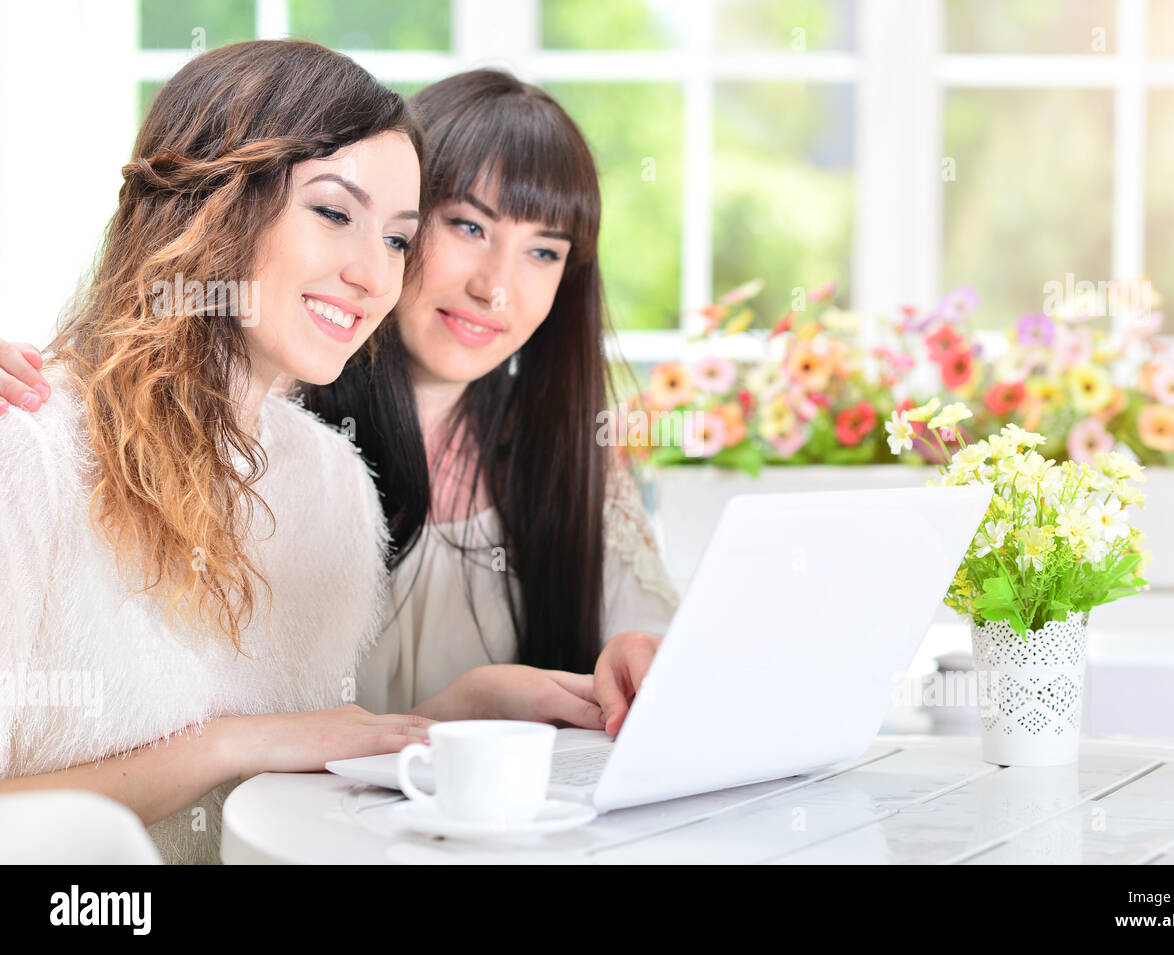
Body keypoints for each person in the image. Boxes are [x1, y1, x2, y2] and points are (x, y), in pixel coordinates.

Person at [0, 69, 678, 741]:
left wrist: (622, 670)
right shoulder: (273, 402)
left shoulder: (342, 473)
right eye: (468, 226)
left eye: (543, 250)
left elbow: (302, 750)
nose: (495, 287)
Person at [0, 39, 434, 864]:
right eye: (335, 213)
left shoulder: (340, 486)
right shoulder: (30, 445)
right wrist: (222, 744)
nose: (375, 276)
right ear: (213, 204)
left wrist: (465, 708)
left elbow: (305, 775)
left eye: (398, 240)